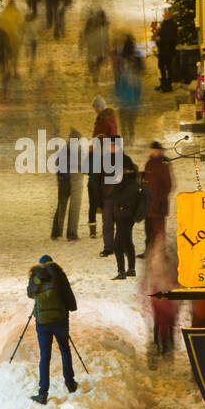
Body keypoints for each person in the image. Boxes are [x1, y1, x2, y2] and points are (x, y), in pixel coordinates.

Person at [27, 255, 78, 404]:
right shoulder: (59, 275)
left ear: (40, 264)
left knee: (45, 357)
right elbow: (69, 297)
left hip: (42, 323)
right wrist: (69, 307)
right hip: (60, 320)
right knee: (64, 349)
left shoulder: (35, 276)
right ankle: (70, 383)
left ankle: (43, 393)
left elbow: (30, 293)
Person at [111, 156, 150, 280]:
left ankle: (122, 271)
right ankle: (131, 269)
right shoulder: (125, 182)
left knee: (118, 245)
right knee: (127, 242)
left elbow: (121, 199)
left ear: (128, 170)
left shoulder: (130, 184)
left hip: (125, 217)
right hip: (122, 216)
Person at [88, 95, 118, 242]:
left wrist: (92, 149)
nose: (94, 110)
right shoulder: (111, 118)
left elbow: (97, 137)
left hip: (101, 156)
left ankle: (95, 227)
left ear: (99, 107)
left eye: (95, 107)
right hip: (110, 155)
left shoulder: (103, 120)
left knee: (96, 195)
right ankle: (109, 224)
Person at [51, 129, 84, 241]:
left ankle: (55, 232)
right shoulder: (79, 151)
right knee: (74, 209)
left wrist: (60, 178)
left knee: (61, 206)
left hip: (63, 182)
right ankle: (71, 234)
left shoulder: (63, 150)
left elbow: (57, 164)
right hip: (75, 182)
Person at [142, 141, 173, 252]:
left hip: (159, 204)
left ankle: (160, 252)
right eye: (151, 150)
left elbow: (168, 185)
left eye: (154, 150)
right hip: (148, 204)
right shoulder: (149, 163)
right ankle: (149, 251)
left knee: (159, 230)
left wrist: (161, 200)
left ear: (158, 151)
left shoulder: (163, 164)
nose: (152, 152)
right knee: (148, 229)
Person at [114, 58, 141, 147]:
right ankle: (131, 140)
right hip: (133, 105)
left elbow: (118, 92)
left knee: (123, 124)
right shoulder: (137, 79)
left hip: (123, 105)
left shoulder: (122, 79)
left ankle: (125, 141)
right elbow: (138, 93)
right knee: (131, 124)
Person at [155, 6, 179, 92]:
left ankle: (168, 85)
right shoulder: (164, 23)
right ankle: (163, 83)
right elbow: (162, 34)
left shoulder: (172, 24)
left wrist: (160, 39)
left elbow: (171, 38)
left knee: (168, 67)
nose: (163, 15)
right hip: (162, 49)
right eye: (164, 13)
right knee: (161, 66)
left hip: (168, 49)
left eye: (165, 13)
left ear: (169, 14)